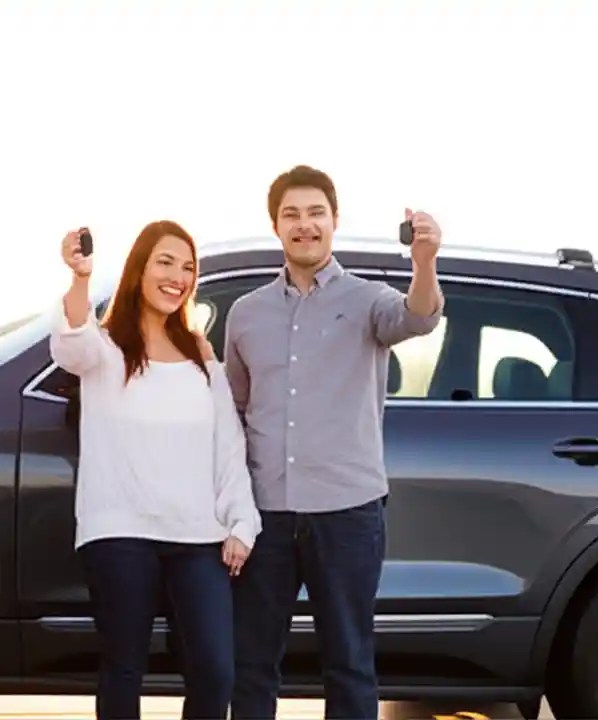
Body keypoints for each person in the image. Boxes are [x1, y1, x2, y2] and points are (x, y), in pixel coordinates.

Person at [225, 165, 444, 719]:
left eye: (315, 213)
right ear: (276, 225)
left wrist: (424, 263)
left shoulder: (369, 300)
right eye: (292, 215)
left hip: (347, 513)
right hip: (265, 514)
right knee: (251, 663)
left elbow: (419, 317)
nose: (305, 225)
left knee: (348, 662)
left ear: (334, 220)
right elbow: (235, 410)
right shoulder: (246, 314)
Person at [50, 219, 262, 720]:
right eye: (165, 262)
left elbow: (227, 446)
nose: (178, 276)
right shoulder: (105, 350)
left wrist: (241, 521)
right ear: (139, 270)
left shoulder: (201, 358)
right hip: (120, 531)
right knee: (124, 667)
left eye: (188, 267)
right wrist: (80, 278)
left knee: (214, 670)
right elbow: (71, 343)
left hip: (198, 537)